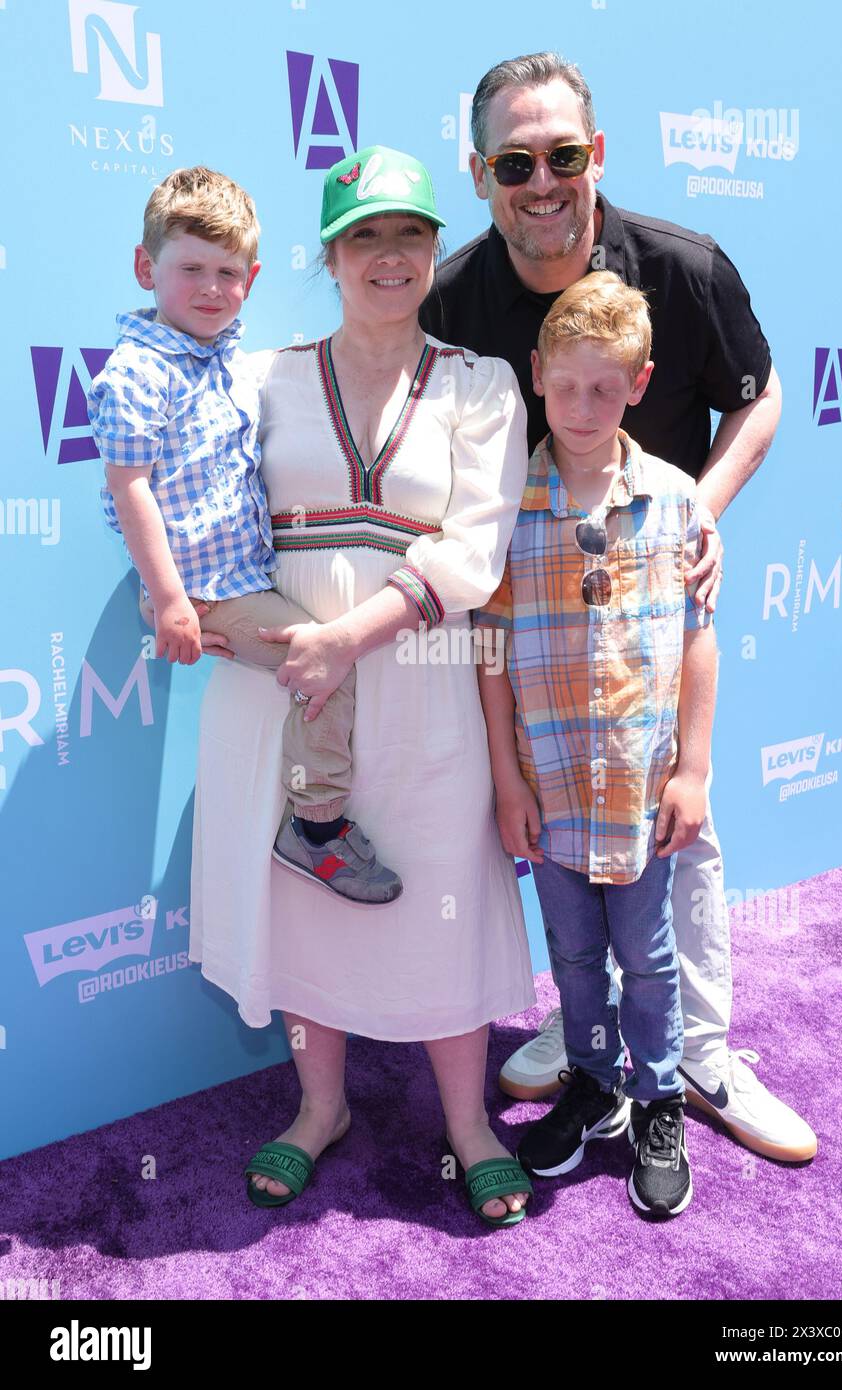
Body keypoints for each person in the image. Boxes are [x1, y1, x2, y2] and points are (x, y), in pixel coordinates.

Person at [420, 51, 817, 1164]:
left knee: (680, 833)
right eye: (513, 161)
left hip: (656, 618)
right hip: (529, 620)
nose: (539, 182)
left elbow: (762, 390)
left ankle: (702, 1056)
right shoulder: (454, 299)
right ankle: (588, 1038)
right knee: (553, 835)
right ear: (481, 171)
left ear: (595, 153)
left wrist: (703, 517)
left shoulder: (685, 269)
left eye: (560, 155)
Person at [187, 146, 537, 1225]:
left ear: (437, 247)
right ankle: (319, 1107)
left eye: (411, 234)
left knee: (438, 890)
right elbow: (195, 506)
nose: (390, 256)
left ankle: (469, 1123)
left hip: (418, 679)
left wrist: (351, 637)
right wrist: (223, 617)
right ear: (331, 254)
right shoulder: (260, 374)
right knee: (302, 896)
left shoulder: (481, 385)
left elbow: (474, 552)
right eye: (367, 236)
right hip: (285, 682)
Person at [87, 165, 400, 906]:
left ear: (252, 280)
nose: (210, 288)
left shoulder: (228, 354)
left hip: (242, 579)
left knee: (329, 662)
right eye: (190, 268)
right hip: (203, 592)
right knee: (329, 665)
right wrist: (170, 603)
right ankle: (317, 830)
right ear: (145, 268)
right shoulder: (134, 372)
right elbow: (129, 489)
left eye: (228, 273)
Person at [476, 270, 716, 1216]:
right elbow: (487, 654)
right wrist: (505, 777)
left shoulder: (677, 500)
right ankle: (593, 1080)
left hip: (642, 789)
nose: (583, 405)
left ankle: (659, 1095)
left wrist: (694, 768)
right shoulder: (503, 510)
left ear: (641, 384)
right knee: (572, 957)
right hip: (551, 781)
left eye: (605, 388)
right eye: (567, 384)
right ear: (536, 374)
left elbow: (700, 643)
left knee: (651, 959)